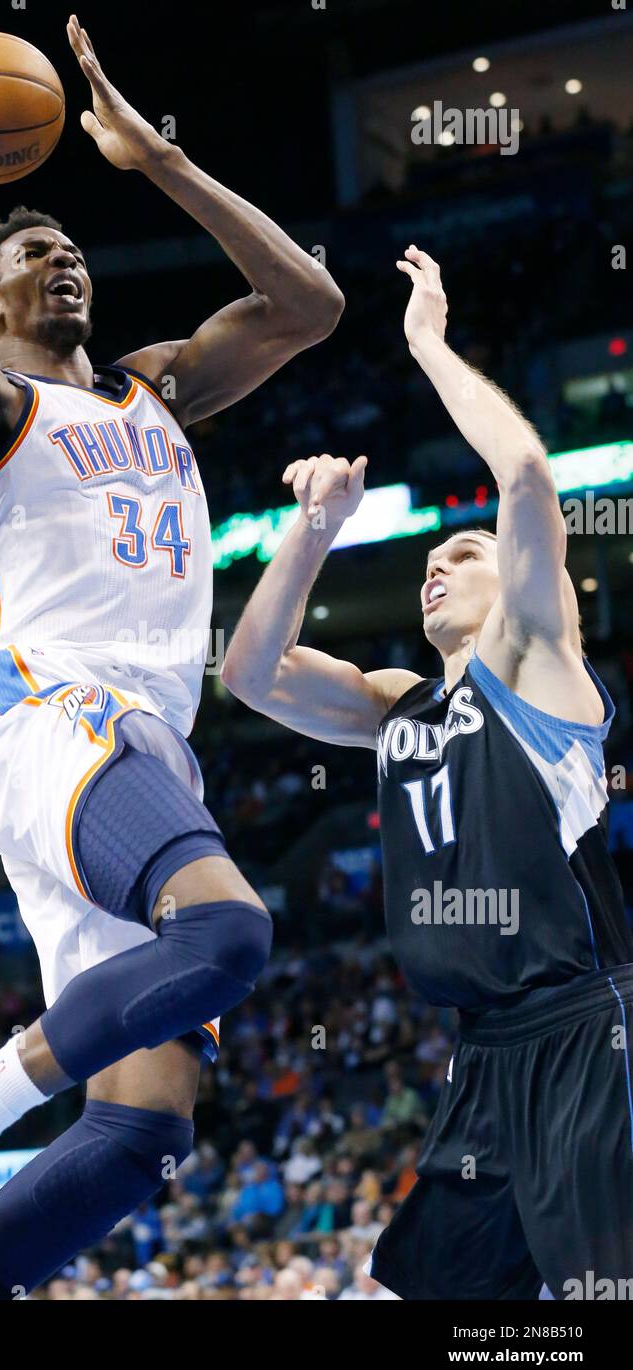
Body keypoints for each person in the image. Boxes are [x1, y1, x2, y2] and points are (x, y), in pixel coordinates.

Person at [0, 16, 344, 1300]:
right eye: (28, 255)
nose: (58, 260)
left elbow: (309, 305)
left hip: (140, 747)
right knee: (230, 932)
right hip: (45, 711)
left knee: (145, 1126)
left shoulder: (154, 389)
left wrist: (155, 162)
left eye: (67, 248)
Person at [221, 245, 633, 1300]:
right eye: (423, 563)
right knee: (440, 1293)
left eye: (462, 550)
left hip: (586, 1024)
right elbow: (251, 673)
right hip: (484, 1054)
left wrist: (425, 345)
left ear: (520, 579)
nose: (436, 565)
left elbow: (527, 473)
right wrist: (310, 533)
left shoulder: (538, 664)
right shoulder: (400, 703)